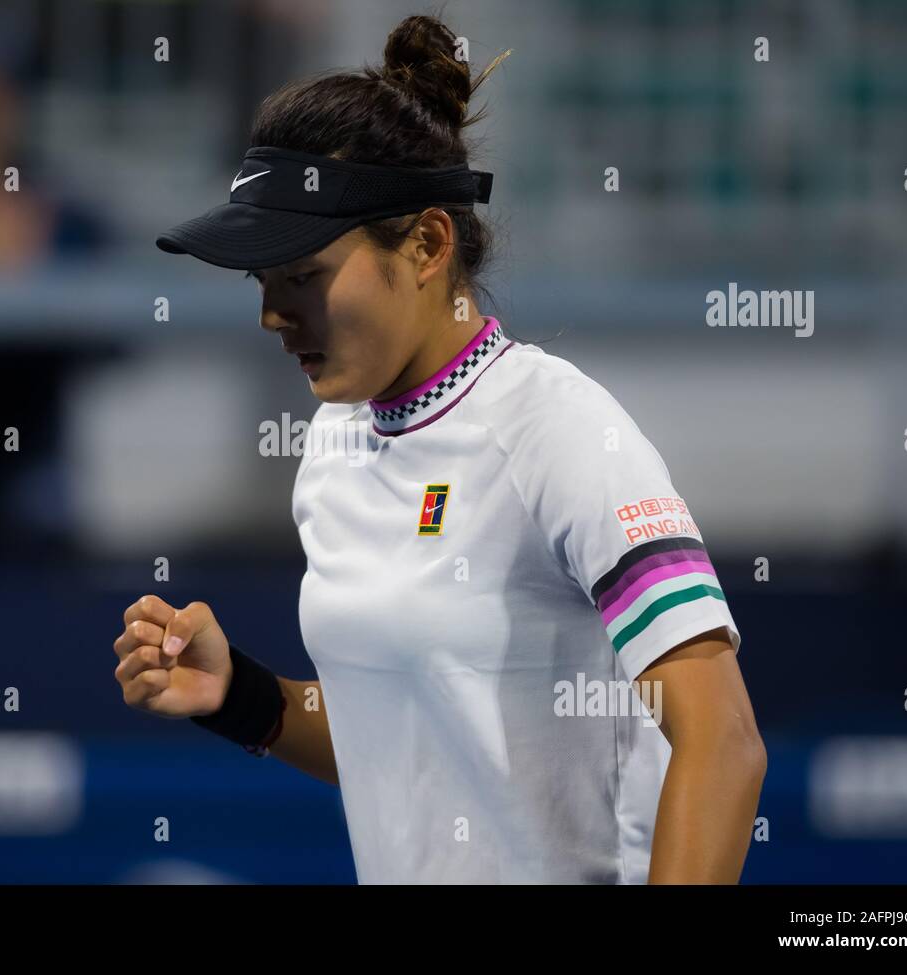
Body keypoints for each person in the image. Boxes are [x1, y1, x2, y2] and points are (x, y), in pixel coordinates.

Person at [112, 14, 765, 884]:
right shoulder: (334, 440)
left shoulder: (562, 429)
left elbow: (722, 741)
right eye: (262, 284)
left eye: (302, 278)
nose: (273, 315)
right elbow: (416, 742)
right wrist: (243, 697)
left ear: (425, 245)